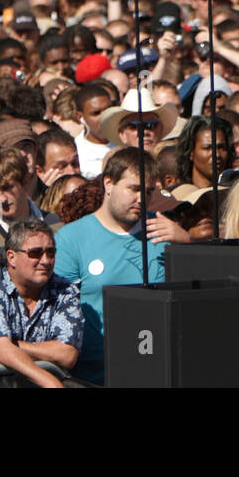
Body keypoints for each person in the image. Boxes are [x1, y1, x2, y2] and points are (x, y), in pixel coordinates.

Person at [54, 148, 172, 384]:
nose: (141, 199)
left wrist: (186, 243)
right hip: (92, 376)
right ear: (108, 183)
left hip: (155, 371)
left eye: (148, 191)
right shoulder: (70, 239)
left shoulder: (165, 232)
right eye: (134, 189)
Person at [0, 217, 84, 389]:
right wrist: (49, 381)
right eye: (35, 253)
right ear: (11, 257)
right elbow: (0, 350)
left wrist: (13, 346)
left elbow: (66, 355)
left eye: (50, 253)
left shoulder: (65, 289)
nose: (45, 261)